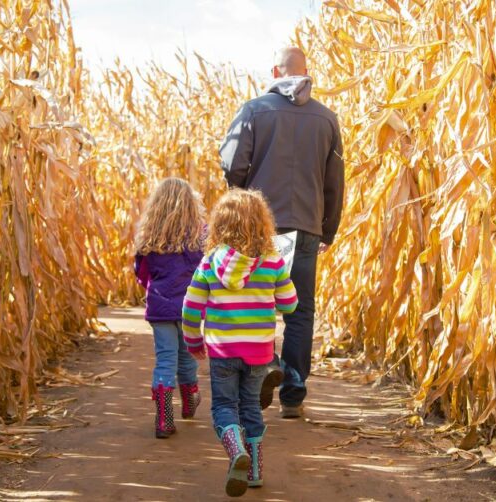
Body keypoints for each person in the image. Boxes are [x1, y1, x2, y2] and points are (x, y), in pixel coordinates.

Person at [218, 46, 345, 419]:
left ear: (275, 71)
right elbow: (334, 181)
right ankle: (293, 393)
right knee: (299, 310)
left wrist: (240, 205)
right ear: (307, 72)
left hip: (261, 228)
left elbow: (233, 164)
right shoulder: (327, 119)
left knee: (257, 302)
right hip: (306, 226)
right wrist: (328, 229)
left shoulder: (254, 110)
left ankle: (264, 369)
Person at [182, 190, 298, 496]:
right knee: (251, 407)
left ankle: (236, 453)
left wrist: (193, 343)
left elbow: (191, 308)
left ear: (219, 224)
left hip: (222, 350)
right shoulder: (273, 263)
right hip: (259, 351)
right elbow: (290, 304)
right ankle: (256, 471)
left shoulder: (209, 263)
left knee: (223, 406)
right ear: (262, 224)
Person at [134, 178, 206, 439]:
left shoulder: (149, 234)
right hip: (191, 308)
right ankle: (189, 401)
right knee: (187, 357)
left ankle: (164, 419)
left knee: (165, 359)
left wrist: (151, 288)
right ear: (191, 204)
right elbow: (207, 270)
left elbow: (141, 272)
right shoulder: (201, 234)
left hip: (160, 307)